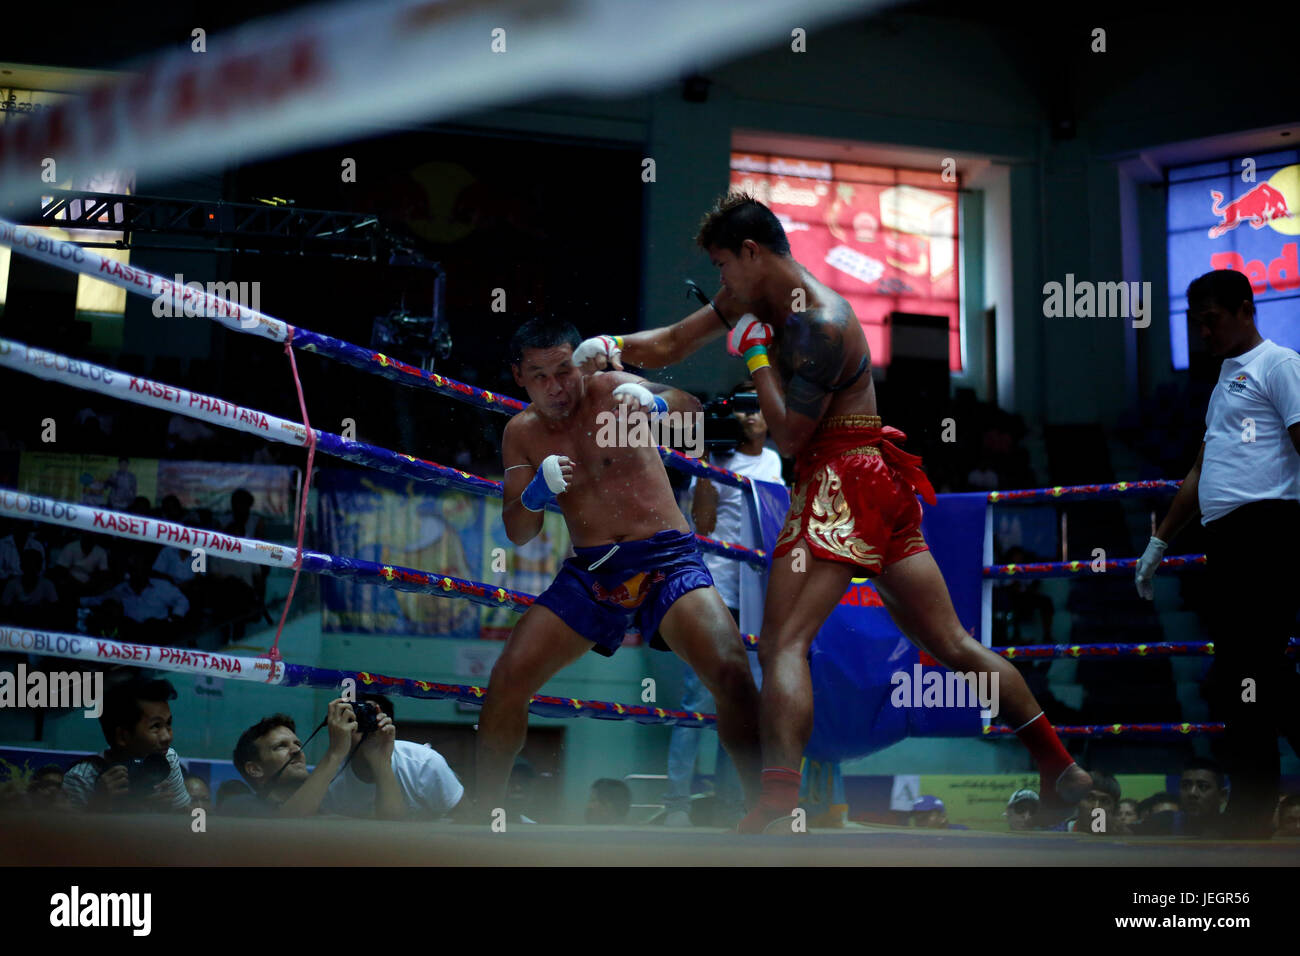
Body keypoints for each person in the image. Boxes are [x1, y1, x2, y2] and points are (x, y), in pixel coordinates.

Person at [575, 193, 1092, 832]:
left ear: (751, 251)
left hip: (841, 480)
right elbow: (678, 342)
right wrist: (609, 344)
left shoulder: (820, 323)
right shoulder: (752, 299)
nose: (721, 283)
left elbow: (789, 436)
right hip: (874, 483)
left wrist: (757, 355)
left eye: (723, 266)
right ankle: (1059, 764)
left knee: (783, 643)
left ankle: (777, 797)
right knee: (951, 643)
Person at [466, 317, 761, 821]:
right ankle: (483, 812)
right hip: (593, 572)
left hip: (667, 558)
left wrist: (658, 403)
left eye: (564, 369)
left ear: (580, 362)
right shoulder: (522, 434)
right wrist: (535, 494)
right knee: (508, 679)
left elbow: (690, 412)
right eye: (540, 376)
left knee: (731, 671)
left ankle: (764, 808)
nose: (557, 387)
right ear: (519, 376)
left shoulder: (610, 388)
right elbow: (519, 531)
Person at [1136, 268, 1300, 838]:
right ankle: (1252, 808)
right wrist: (1159, 542)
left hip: (1270, 531)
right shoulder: (1224, 382)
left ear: (1244, 310)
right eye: (1196, 322)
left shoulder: (1280, 365)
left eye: (1212, 320)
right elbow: (1200, 471)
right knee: (1239, 676)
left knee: (1261, 669)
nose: (1202, 332)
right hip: (1226, 540)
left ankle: (1254, 807)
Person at [664, 381, 782, 827]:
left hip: (756, 591)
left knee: (743, 702)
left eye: (759, 407)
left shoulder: (773, 461)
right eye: (743, 408)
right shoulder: (717, 457)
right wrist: (709, 465)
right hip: (715, 588)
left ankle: (733, 806)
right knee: (698, 698)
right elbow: (705, 523)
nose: (750, 416)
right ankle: (676, 803)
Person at [225, 702, 404, 819]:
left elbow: (392, 830)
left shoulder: (328, 806)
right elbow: (285, 830)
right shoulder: (239, 807)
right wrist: (335, 752)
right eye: (280, 746)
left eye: (297, 743)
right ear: (254, 769)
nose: (296, 751)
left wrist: (380, 762)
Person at [320, 694, 464, 819]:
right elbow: (299, 819)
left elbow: (468, 815)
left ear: (388, 725)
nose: (364, 724)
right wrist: (335, 751)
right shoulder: (329, 773)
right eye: (357, 717)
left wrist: (380, 760)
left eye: (371, 717)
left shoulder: (424, 763)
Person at [61, 677, 192, 813]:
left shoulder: (167, 759)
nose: (168, 737)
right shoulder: (82, 778)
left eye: (168, 724)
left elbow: (185, 820)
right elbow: (63, 833)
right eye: (156, 726)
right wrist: (99, 803)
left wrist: (170, 812)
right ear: (122, 736)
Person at [1179, 757, 1227, 836]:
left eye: (1203, 787)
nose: (1192, 793)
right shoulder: (1164, 823)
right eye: (1185, 786)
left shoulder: (1237, 831)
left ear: (1222, 796)